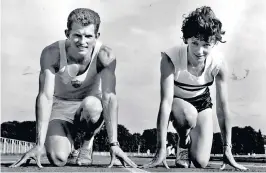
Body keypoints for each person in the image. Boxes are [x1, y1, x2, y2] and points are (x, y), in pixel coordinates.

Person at [10, 8, 137, 168]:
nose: (83, 41)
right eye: (77, 35)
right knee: (57, 159)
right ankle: (72, 149)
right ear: (67, 33)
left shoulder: (105, 55)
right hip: (61, 106)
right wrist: (39, 144)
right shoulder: (51, 53)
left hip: (90, 106)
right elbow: (45, 96)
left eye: (89, 36)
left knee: (92, 105)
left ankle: (87, 141)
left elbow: (109, 97)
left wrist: (114, 144)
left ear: (97, 36)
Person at [143, 6, 247, 170]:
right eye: (194, 43)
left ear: (214, 42)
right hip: (177, 104)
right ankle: (183, 141)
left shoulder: (219, 64)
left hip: (202, 103)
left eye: (206, 44)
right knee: (187, 114)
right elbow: (166, 102)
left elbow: (222, 108)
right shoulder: (170, 58)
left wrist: (227, 149)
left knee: (200, 162)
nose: (200, 51)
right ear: (186, 39)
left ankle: (187, 142)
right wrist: (160, 148)